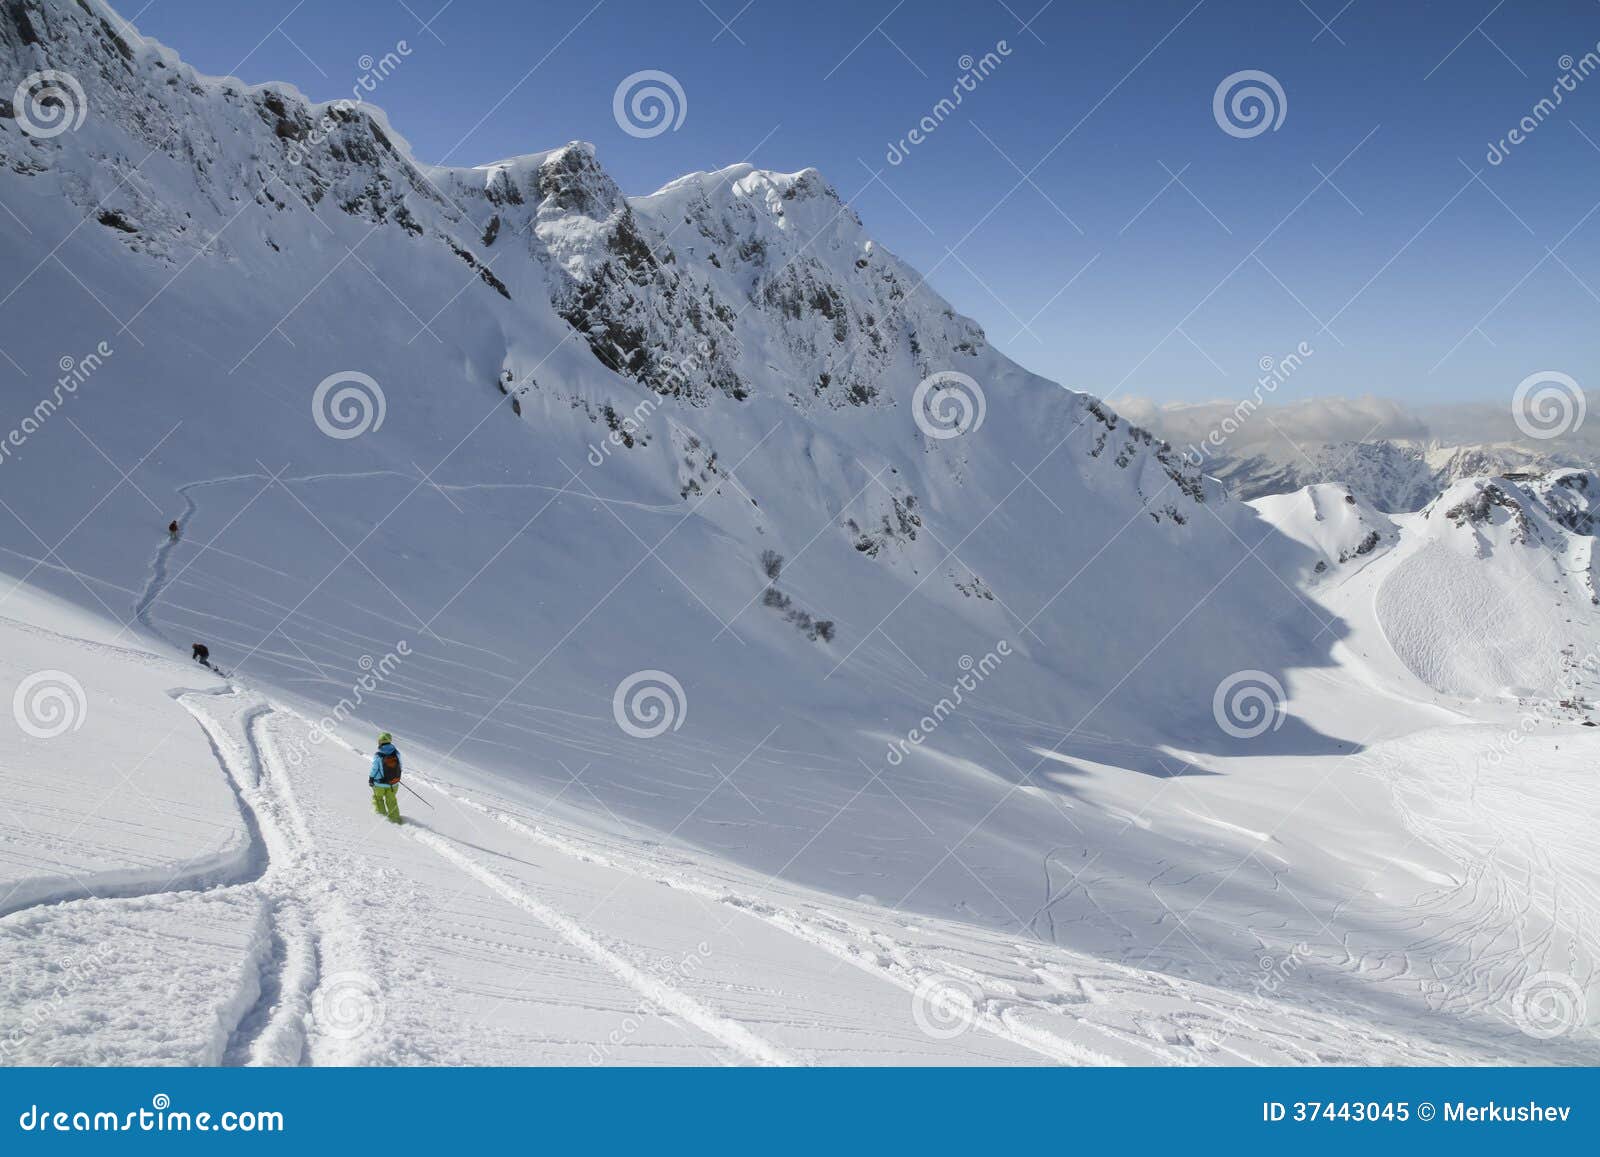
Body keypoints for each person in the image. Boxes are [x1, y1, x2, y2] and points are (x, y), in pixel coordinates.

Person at [369, 732, 403, 825]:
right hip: (393, 783)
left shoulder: (378, 754)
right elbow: (400, 766)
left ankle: (382, 820)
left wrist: (371, 778)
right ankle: (395, 820)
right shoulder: (396, 753)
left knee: (378, 798)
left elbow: (375, 769)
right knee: (391, 800)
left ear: (380, 742)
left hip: (380, 783)